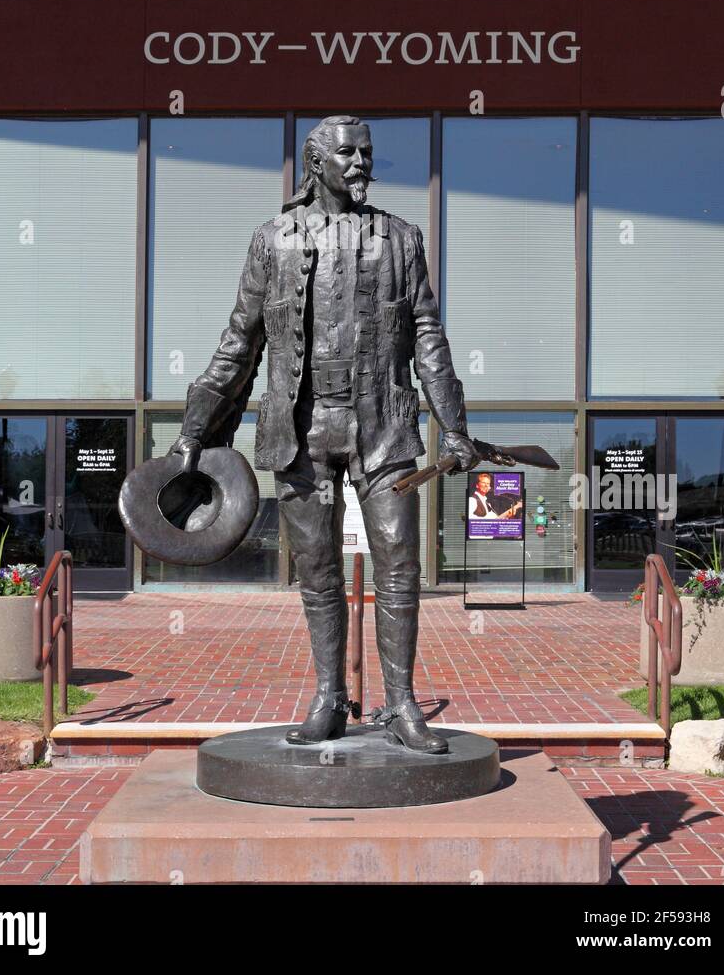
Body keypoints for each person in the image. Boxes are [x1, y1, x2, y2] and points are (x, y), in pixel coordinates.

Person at [170, 115, 491, 753]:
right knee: (317, 571)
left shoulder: (402, 239)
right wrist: (195, 427)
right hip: (302, 428)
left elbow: (427, 336)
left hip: (386, 425)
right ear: (315, 163)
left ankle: (401, 704)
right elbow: (241, 341)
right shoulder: (273, 239)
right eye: (347, 153)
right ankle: (329, 697)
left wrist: (455, 428)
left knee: (399, 561)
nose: (361, 163)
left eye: (367, 152)